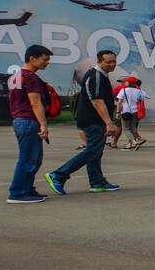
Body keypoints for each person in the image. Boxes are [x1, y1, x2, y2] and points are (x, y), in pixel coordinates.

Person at [45, 49, 120, 195]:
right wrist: (109, 123)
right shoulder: (96, 76)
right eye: (108, 62)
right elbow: (98, 101)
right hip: (94, 120)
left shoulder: (100, 75)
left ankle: (97, 182)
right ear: (99, 62)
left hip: (93, 120)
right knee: (92, 151)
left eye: (114, 62)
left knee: (96, 151)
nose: (112, 64)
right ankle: (58, 175)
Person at [6, 44, 53, 203]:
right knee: (29, 159)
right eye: (44, 60)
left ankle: (27, 189)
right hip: (29, 120)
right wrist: (43, 125)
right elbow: (35, 103)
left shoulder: (16, 76)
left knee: (34, 158)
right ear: (32, 58)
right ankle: (18, 193)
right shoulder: (31, 77)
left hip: (19, 120)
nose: (47, 63)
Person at [117, 77, 147, 150]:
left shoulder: (123, 90)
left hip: (125, 111)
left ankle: (134, 142)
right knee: (133, 128)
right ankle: (132, 145)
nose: (125, 82)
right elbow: (142, 99)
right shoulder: (138, 91)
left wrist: (117, 112)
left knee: (126, 128)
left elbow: (119, 102)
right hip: (136, 111)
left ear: (129, 83)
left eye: (126, 81)